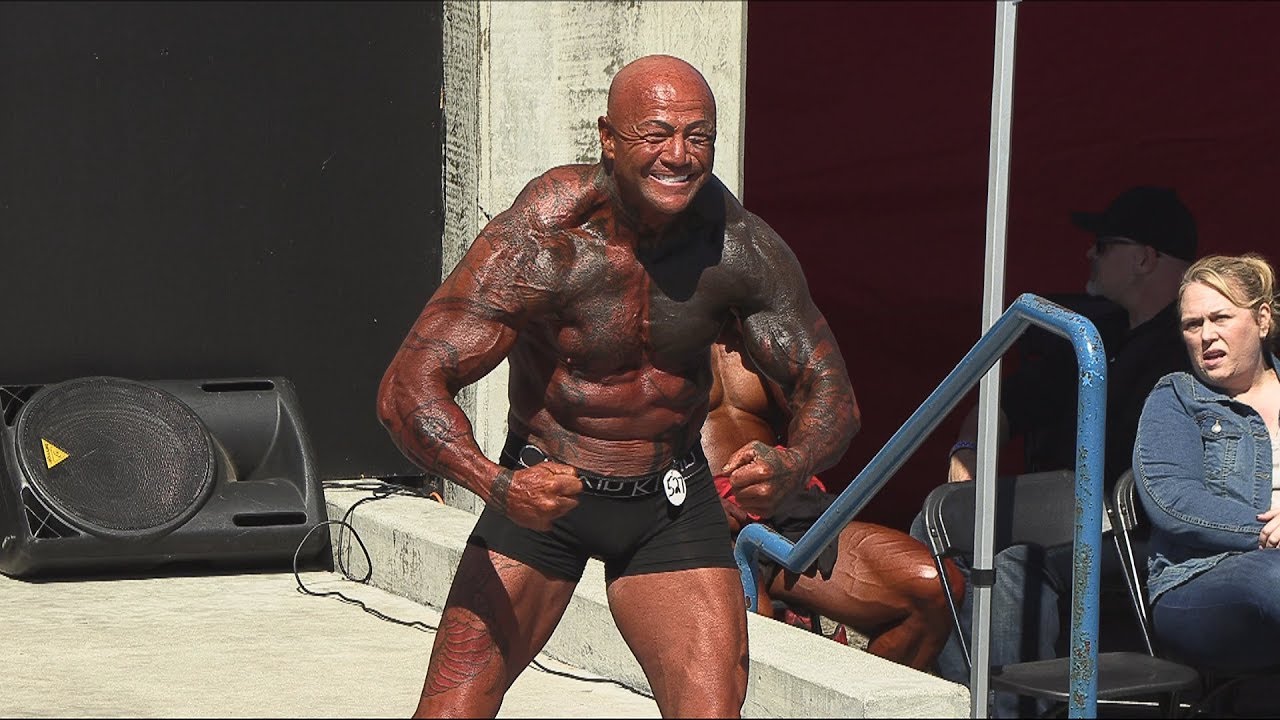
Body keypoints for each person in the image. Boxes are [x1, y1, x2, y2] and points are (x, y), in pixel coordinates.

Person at [376, 54, 857, 718]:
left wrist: (794, 463)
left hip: (668, 506)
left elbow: (830, 389)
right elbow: (408, 386)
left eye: (698, 136)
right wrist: (497, 485)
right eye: (656, 134)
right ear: (608, 136)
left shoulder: (736, 246)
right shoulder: (545, 239)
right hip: (544, 499)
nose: (680, 156)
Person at [910, 185, 1197, 716]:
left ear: (1144, 259)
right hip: (1065, 508)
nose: (1088, 254)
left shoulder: (1196, 347)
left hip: (1138, 527)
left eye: (1103, 244)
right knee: (936, 539)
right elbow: (998, 403)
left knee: (1016, 567)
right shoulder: (1090, 334)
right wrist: (969, 450)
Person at [705, 320, 963, 672]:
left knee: (934, 589)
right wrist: (689, 498)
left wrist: (794, 462)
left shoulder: (757, 299)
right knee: (756, 623)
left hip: (783, 501)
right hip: (688, 510)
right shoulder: (633, 305)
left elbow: (832, 399)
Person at [1134, 253, 1280, 676]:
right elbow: (1172, 501)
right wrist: (1267, 533)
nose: (1206, 336)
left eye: (1220, 318)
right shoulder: (1177, 398)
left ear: (1262, 320)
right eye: (1192, 325)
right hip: (1198, 578)